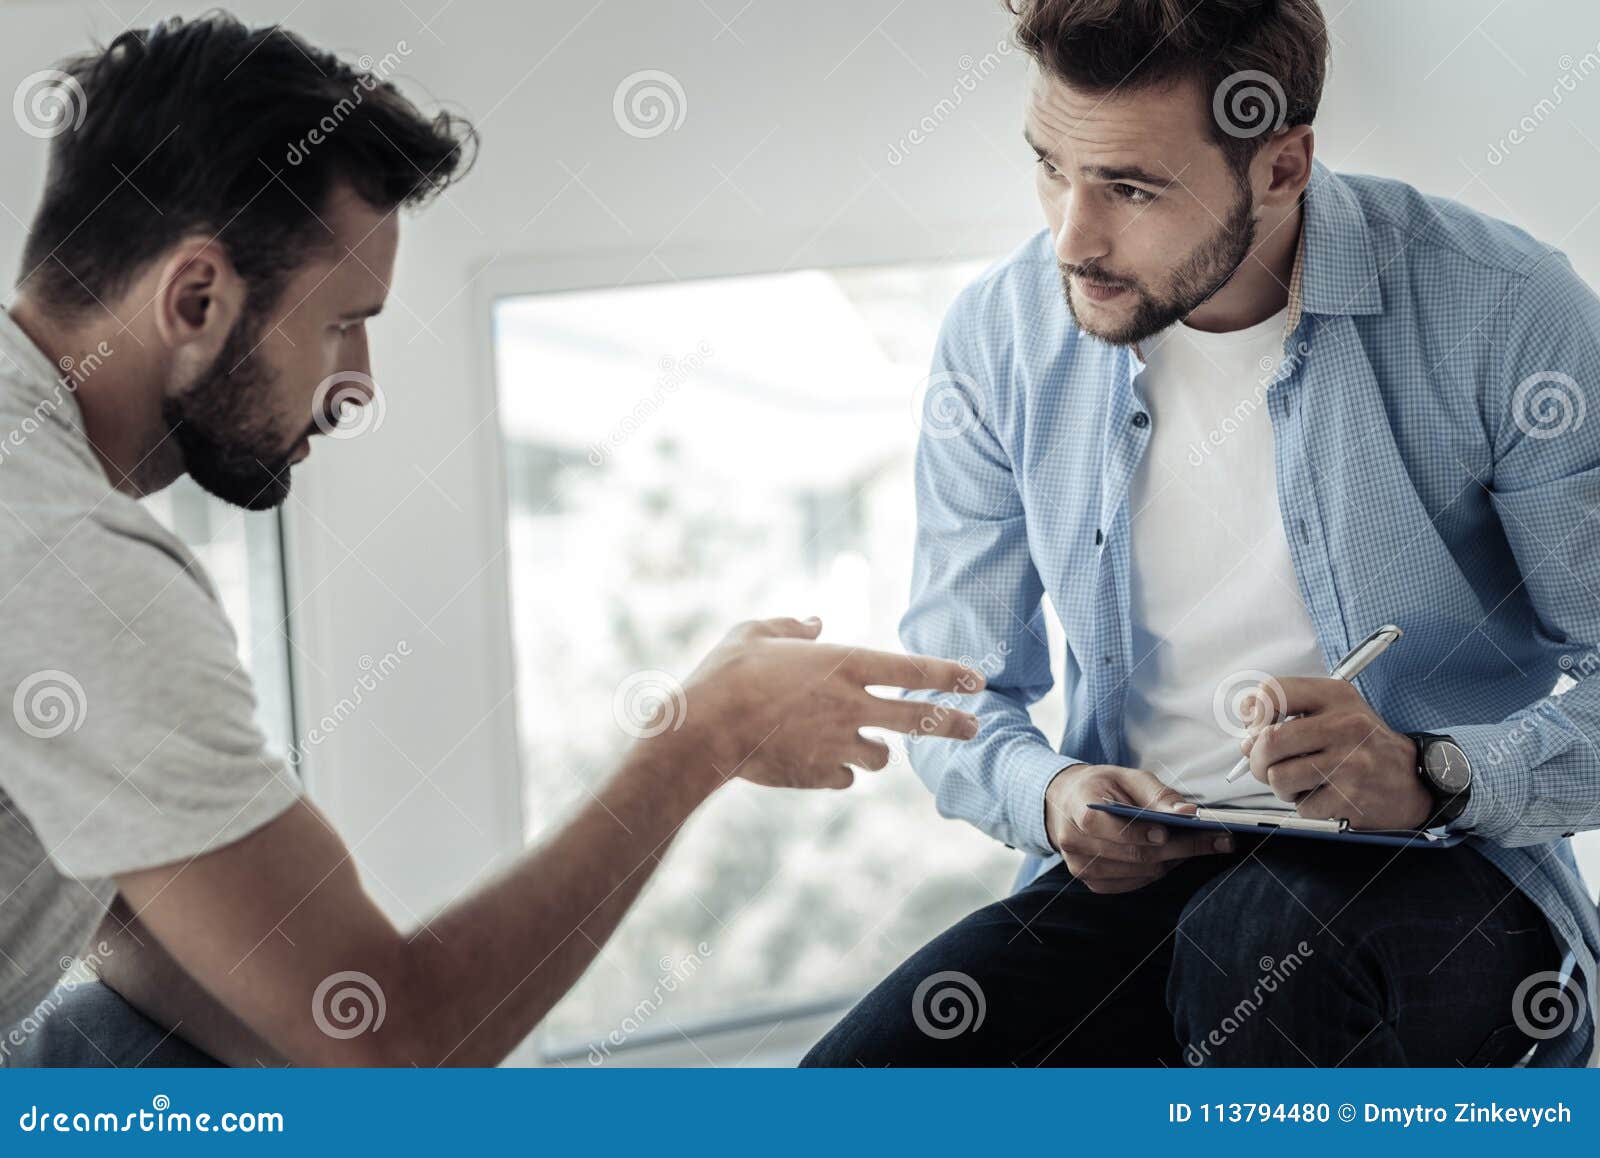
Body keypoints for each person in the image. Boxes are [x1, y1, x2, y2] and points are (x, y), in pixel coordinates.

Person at [0, 14, 987, 1067]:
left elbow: (173, 931)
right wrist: (699, 739)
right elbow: (393, 1042)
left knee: (144, 1043)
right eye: (342, 323)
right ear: (197, 298)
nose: (360, 383)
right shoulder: (74, 565)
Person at [804, 0, 1597, 1067]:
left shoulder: (1505, 311)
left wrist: (1432, 771)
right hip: (1144, 885)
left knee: (1261, 948)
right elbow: (958, 686)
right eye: (1050, 168)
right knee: (863, 1085)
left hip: (1446, 877)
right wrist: (1053, 795)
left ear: (1280, 168)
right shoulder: (1000, 336)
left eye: (1129, 188)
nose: (1071, 237)